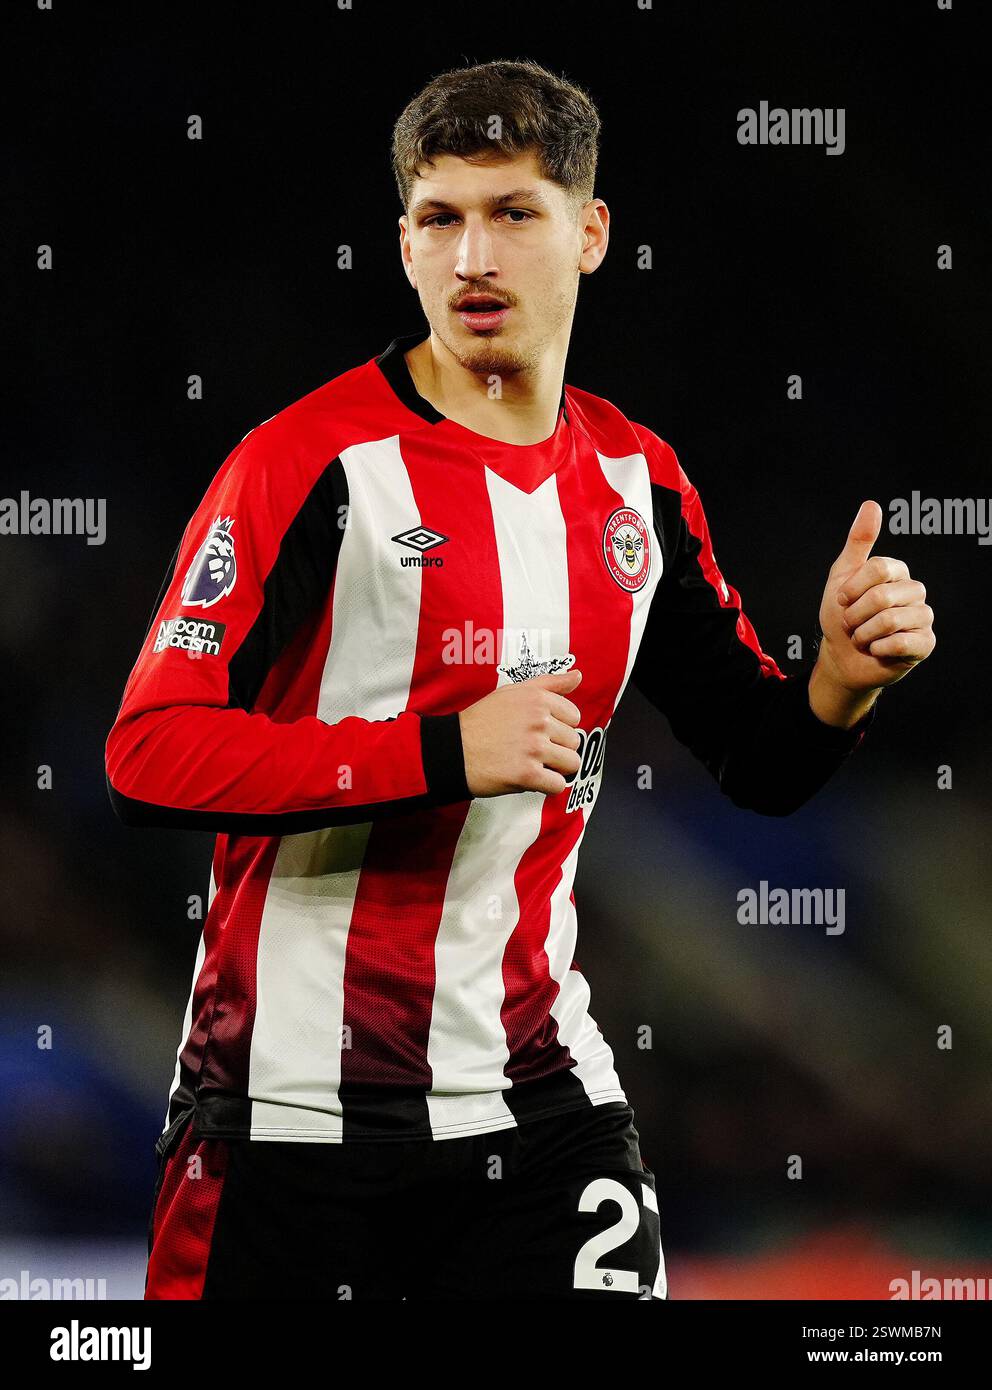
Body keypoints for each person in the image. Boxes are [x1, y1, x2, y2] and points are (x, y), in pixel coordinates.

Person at [105, 58, 935, 1301]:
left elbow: (759, 762)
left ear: (590, 233)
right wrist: (442, 749)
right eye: (439, 218)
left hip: (541, 1104)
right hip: (285, 1117)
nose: (472, 257)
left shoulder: (636, 482)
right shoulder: (306, 465)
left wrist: (840, 685)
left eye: (512, 213)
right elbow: (146, 752)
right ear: (401, 243)